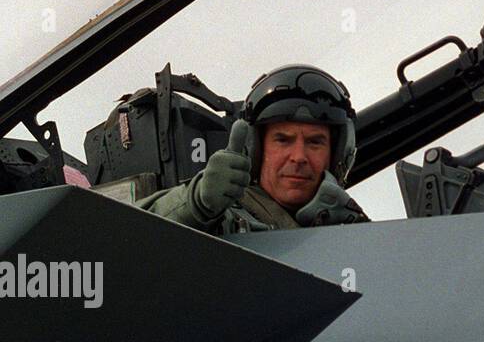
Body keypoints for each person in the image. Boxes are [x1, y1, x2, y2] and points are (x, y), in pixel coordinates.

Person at [139, 64, 369, 233]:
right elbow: (123, 238)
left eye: (315, 142)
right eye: (283, 140)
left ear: (338, 153)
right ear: (256, 150)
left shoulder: (356, 232)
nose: (299, 157)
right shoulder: (225, 219)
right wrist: (196, 204)